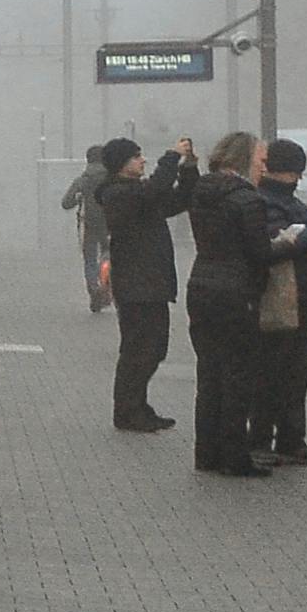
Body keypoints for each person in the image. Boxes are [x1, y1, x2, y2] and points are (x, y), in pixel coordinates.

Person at [182, 132, 307, 476]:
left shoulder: (202, 193)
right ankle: (235, 457)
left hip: (202, 286)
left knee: (209, 377)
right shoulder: (246, 199)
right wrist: (298, 239)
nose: (263, 168)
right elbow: (261, 253)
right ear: (244, 160)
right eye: (259, 161)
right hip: (236, 293)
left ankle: (206, 454)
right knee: (237, 378)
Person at [95, 136, 196, 431]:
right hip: (136, 284)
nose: (142, 161)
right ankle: (127, 411)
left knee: (154, 349)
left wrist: (189, 166)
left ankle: (137, 404)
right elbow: (156, 189)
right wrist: (171, 157)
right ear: (120, 164)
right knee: (138, 350)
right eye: (136, 157)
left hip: (152, 282)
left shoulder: (139, 194)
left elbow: (180, 198)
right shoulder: (116, 194)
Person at [249, 137, 307, 465]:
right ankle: (266, 439)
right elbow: (280, 245)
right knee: (275, 372)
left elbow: (301, 243)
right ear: (292, 172)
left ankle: (289, 438)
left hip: (298, 296)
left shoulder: (286, 201)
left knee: (295, 372)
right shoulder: (270, 202)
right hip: (279, 298)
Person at [61, 145, 114, 313]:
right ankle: (105, 278)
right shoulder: (112, 178)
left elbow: (66, 203)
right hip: (110, 224)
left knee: (90, 258)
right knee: (108, 253)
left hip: (89, 224)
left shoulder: (83, 180)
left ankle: (94, 288)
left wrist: (79, 199)